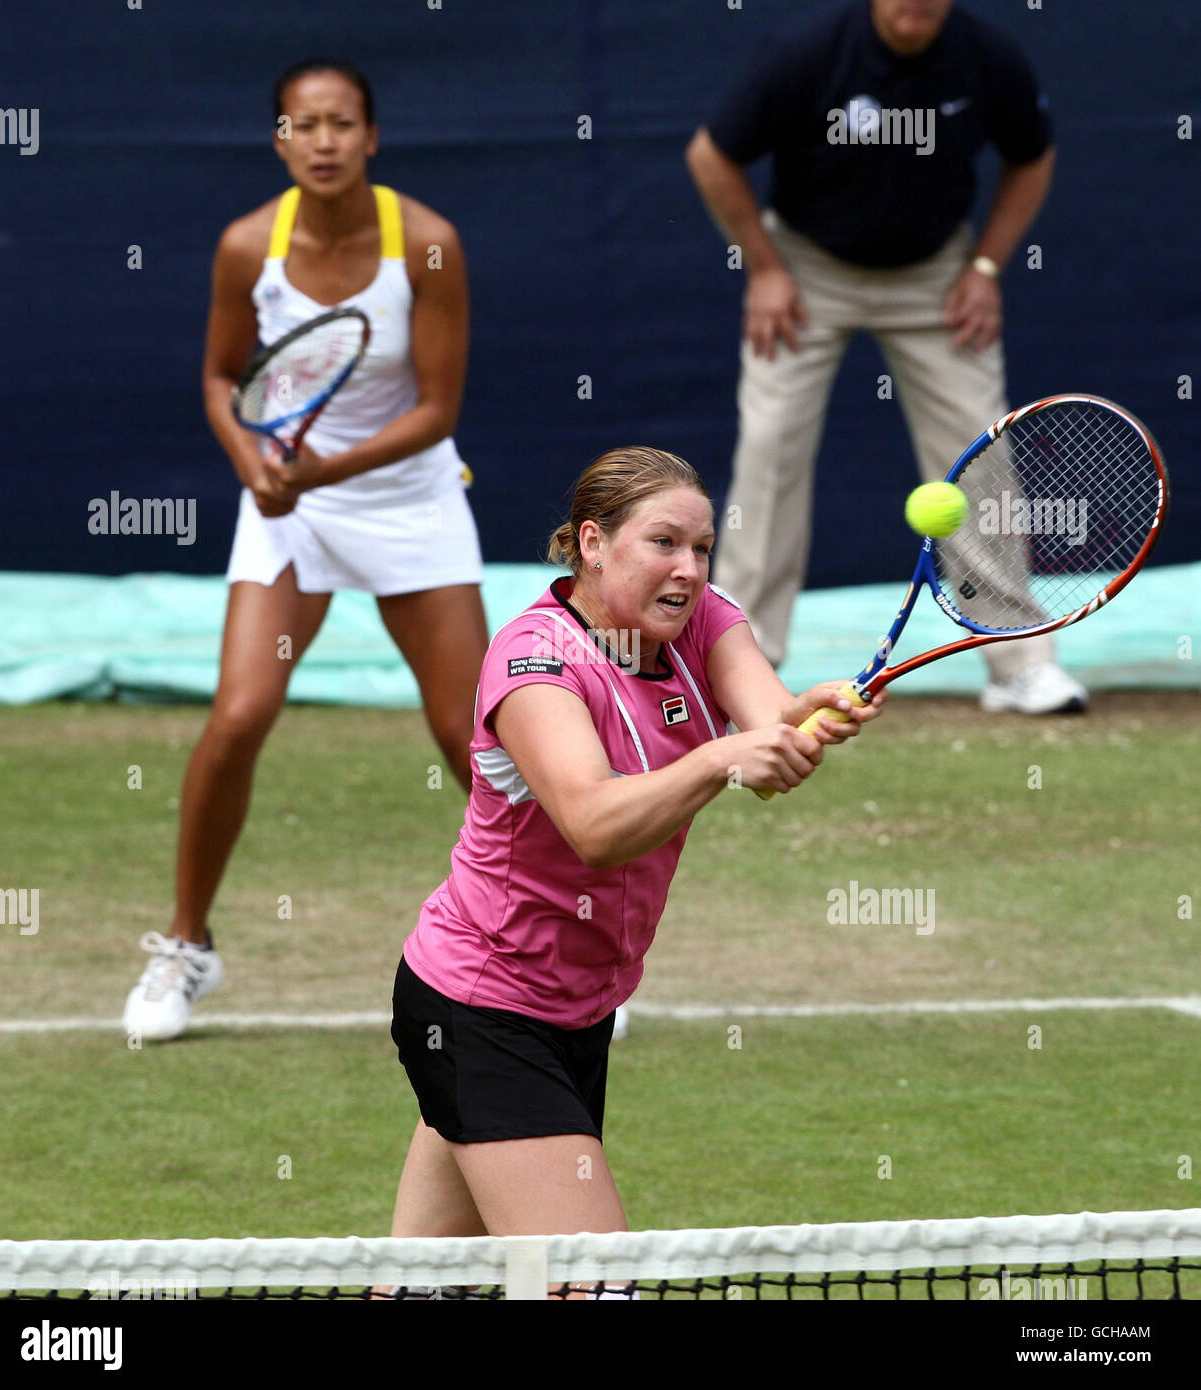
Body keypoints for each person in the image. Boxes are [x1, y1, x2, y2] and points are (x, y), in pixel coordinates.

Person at [386, 446, 883, 1273]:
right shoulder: (533, 664)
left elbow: (766, 724)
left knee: (427, 1290)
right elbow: (592, 823)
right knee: (593, 1285)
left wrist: (804, 719)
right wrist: (720, 760)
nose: (687, 569)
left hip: (576, 1011)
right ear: (592, 543)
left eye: (701, 548)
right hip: (481, 1008)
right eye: (663, 544)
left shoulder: (701, 618)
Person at [123, 59, 488, 1041]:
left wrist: (317, 471)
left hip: (409, 502)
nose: (323, 140)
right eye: (303, 125)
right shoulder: (248, 245)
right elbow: (218, 378)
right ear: (281, 141)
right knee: (239, 714)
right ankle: (186, 948)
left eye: (341, 124)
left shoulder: (430, 246)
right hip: (291, 509)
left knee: (474, 737)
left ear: (372, 137)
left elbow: (437, 410)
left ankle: (563, 945)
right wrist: (254, 460)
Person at [685, 0, 1088, 716]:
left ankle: (1019, 662)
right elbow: (712, 154)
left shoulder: (986, 55)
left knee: (980, 454)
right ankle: (736, 672)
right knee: (771, 451)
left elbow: (1033, 156)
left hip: (935, 273)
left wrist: (987, 268)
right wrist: (767, 268)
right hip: (808, 267)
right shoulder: (804, 52)